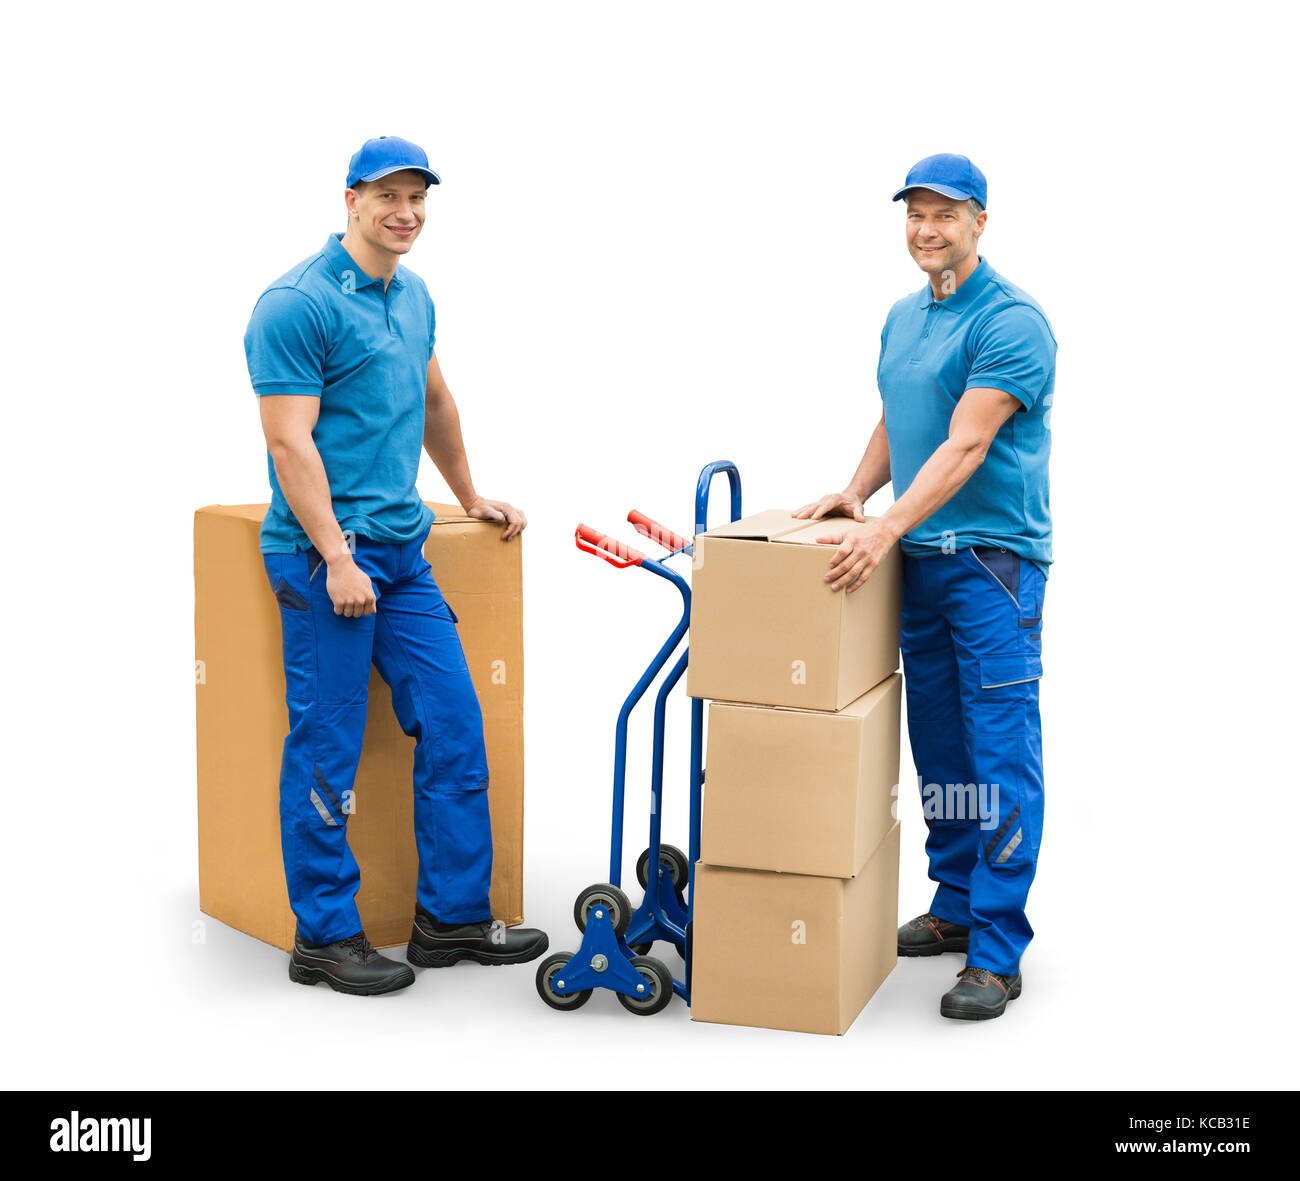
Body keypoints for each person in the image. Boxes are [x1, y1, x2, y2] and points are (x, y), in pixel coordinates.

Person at [243, 135, 548, 995]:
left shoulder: (412, 296)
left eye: (417, 197)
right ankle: (326, 936)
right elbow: (287, 441)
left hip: (403, 556)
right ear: (350, 199)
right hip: (320, 559)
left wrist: (470, 491)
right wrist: (336, 556)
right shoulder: (294, 304)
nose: (405, 212)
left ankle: (448, 917)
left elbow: (436, 400)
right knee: (326, 749)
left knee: (455, 723)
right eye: (388, 196)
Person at [796, 153, 1055, 1020]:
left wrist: (884, 526)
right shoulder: (905, 317)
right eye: (915, 214)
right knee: (941, 747)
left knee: (999, 750)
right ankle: (953, 905)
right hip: (919, 563)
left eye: (945, 215)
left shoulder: (1012, 321)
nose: (927, 229)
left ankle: (997, 948)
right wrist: (856, 491)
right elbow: (899, 417)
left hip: (989, 564)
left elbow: (967, 443)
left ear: (981, 221)